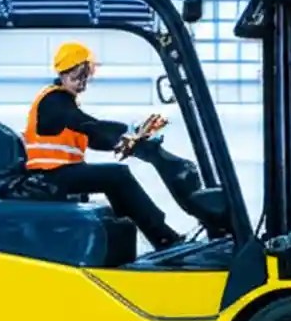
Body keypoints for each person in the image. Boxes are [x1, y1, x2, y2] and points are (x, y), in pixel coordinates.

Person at [23, 41, 183, 250]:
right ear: (63, 73)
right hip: (50, 175)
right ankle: (163, 237)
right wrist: (126, 131)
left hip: (58, 173)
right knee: (117, 176)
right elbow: (88, 125)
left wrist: (127, 142)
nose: (82, 84)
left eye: (85, 78)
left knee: (114, 179)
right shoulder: (54, 100)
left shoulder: (62, 102)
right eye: (77, 77)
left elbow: (93, 138)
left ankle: (132, 232)